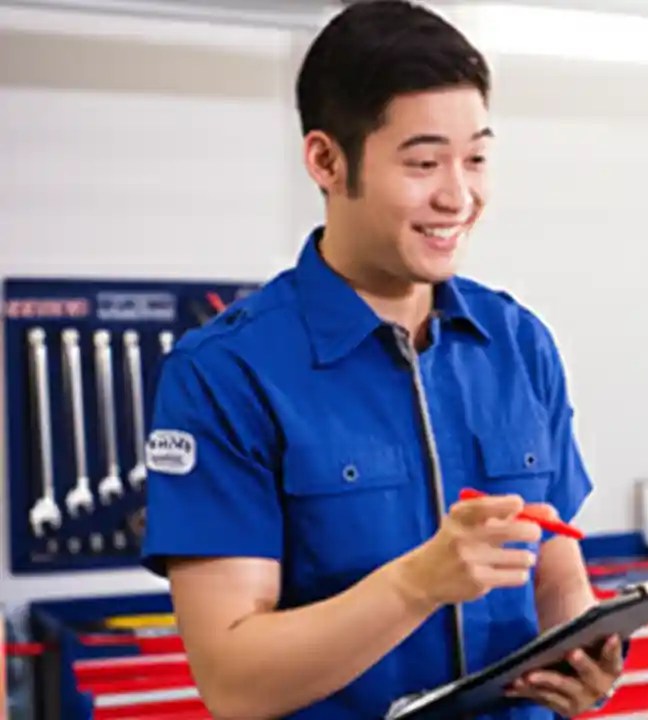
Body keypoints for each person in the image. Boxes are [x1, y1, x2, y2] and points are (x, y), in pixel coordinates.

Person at [139, 2, 623, 718]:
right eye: (424, 163)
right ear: (326, 160)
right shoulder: (225, 374)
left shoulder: (520, 346)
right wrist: (417, 583)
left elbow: (557, 577)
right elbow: (234, 681)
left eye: (477, 158)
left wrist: (583, 656)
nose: (458, 195)